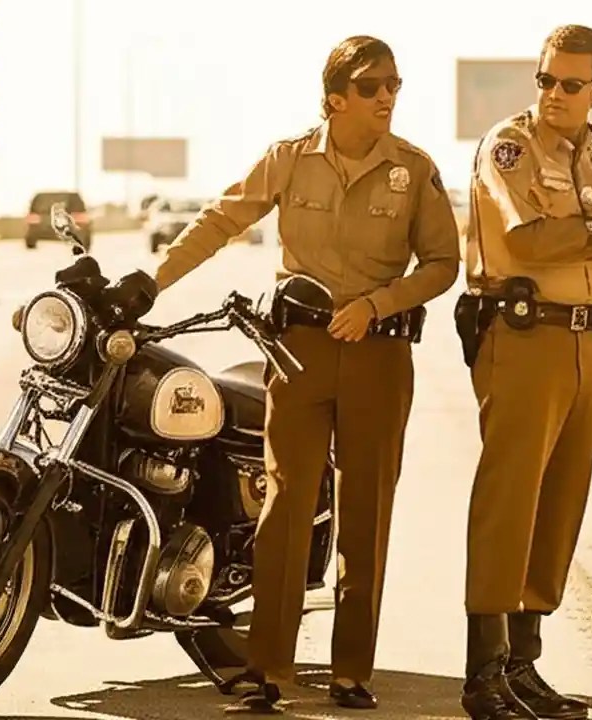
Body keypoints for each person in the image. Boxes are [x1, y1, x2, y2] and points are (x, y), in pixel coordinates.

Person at [147, 35, 460, 713]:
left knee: (366, 511)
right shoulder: (290, 159)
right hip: (298, 355)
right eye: (374, 86)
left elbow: (442, 262)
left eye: (395, 85)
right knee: (286, 506)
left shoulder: (414, 168)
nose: (387, 97)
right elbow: (221, 219)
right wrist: (151, 281)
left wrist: (379, 304)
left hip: (378, 354)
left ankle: (352, 672)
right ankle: (268, 671)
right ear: (335, 99)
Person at [452, 24, 592, 720]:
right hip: (521, 338)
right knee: (509, 499)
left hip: (583, 342)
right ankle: (483, 674)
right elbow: (526, 239)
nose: (554, 94)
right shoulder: (509, 146)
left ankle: (523, 664)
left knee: (560, 501)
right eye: (545, 80)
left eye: (571, 84)